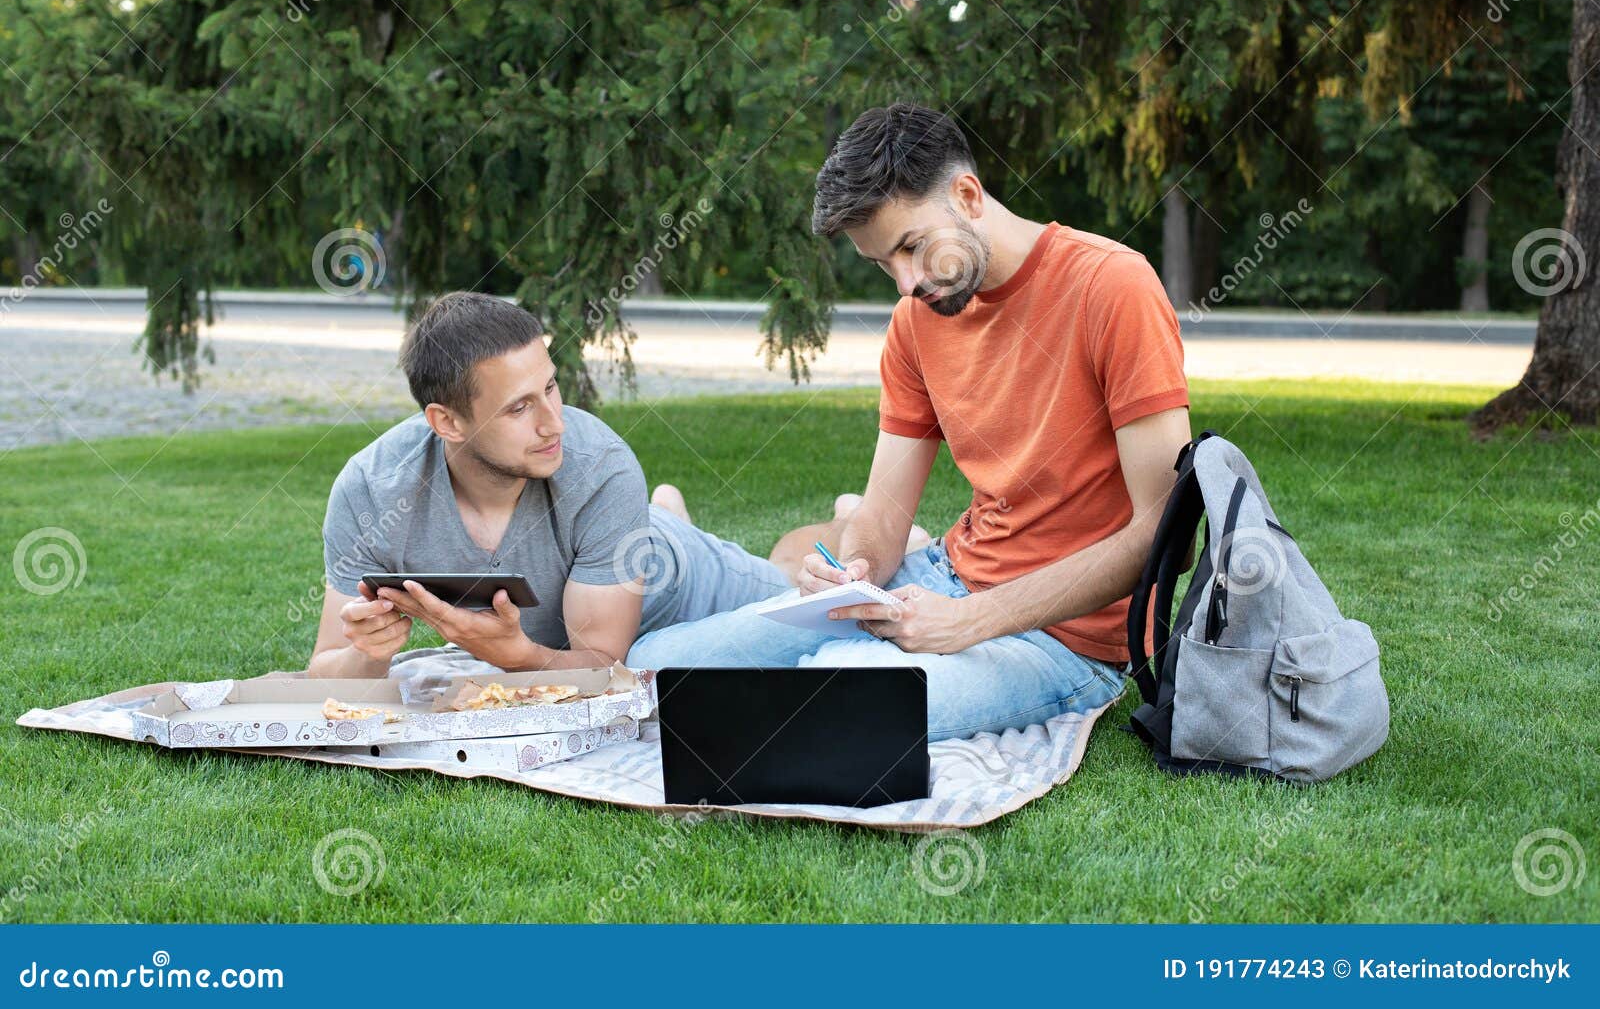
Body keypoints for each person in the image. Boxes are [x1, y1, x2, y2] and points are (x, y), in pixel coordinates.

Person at [628, 103, 1193, 740]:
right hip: (936, 584)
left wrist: (971, 621)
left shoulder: (1112, 287)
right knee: (655, 670)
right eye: (882, 264)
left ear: (968, 195)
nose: (905, 284)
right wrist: (855, 569)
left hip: (1065, 638)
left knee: (830, 706)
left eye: (913, 247)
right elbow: (884, 513)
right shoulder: (917, 324)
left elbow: (1161, 533)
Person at [307, 291, 920, 677]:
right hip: (619, 554)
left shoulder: (597, 464)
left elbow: (603, 666)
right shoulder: (371, 490)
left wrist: (517, 657)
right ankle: (666, 512)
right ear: (446, 421)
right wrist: (370, 652)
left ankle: (856, 520)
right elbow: (325, 669)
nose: (554, 423)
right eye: (519, 408)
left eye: (550, 386)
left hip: (674, 582)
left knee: (812, 597)